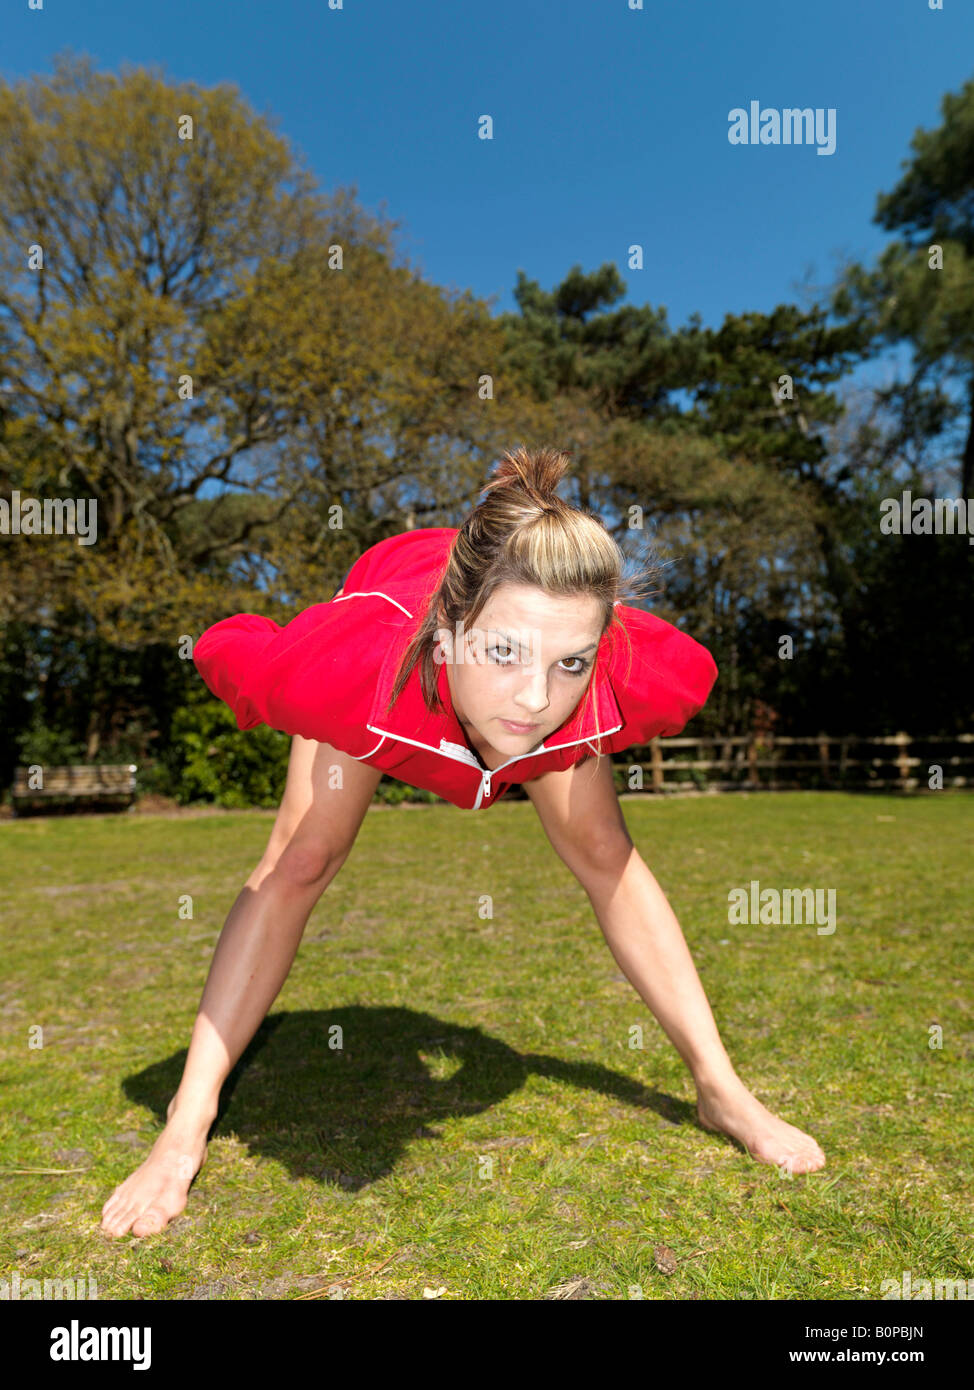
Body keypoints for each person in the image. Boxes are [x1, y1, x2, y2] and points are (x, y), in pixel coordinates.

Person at [100, 445, 824, 1239]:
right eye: (504, 652)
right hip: (392, 666)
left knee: (603, 849)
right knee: (302, 859)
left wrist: (547, 663)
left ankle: (720, 1087)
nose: (537, 697)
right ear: (448, 635)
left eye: (571, 661)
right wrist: (182, 1125)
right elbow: (234, 655)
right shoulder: (352, 674)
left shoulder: (574, 688)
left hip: (502, 643)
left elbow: (554, 684)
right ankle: (186, 1123)